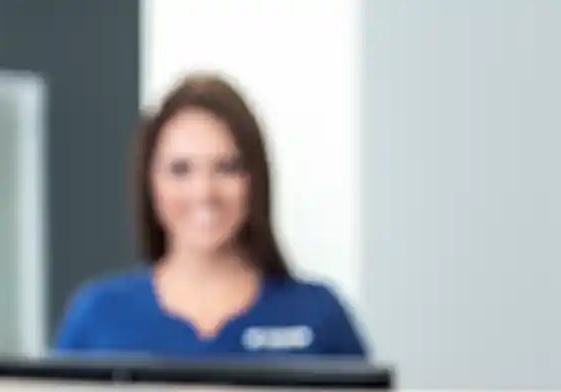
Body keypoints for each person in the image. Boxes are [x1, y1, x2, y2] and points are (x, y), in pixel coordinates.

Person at [55, 74, 367, 358]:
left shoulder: (319, 316)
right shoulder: (99, 317)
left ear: (255, 179)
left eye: (227, 168)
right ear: (150, 182)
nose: (204, 192)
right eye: (180, 170)